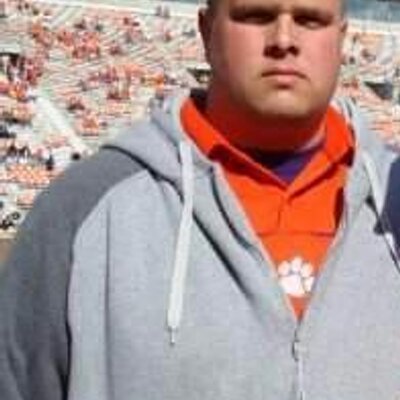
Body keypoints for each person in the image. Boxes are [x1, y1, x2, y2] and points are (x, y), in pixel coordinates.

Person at [1, 0, 400, 399]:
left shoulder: (394, 203)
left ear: (342, 39)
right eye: (256, 16)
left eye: (310, 20)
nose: (284, 40)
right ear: (206, 32)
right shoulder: (82, 209)